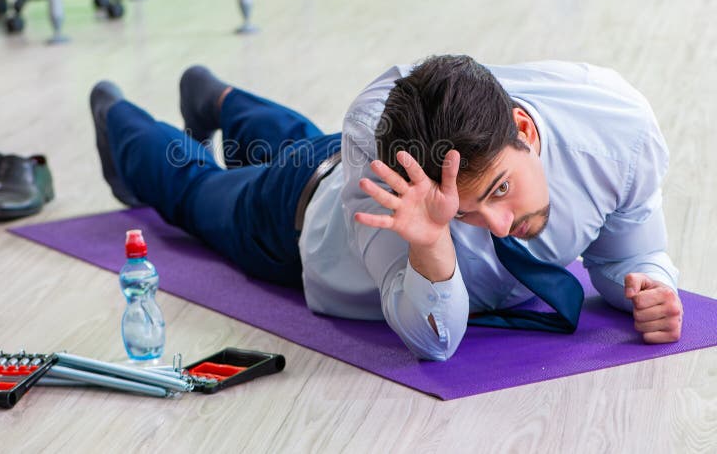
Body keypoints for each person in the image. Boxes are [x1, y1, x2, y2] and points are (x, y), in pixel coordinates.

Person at [90, 56, 683, 361]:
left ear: (523, 128)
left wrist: (649, 284)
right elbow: (433, 342)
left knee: (301, 142)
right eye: (466, 212)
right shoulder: (376, 144)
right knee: (197, 190)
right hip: (293, 215)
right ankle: (118, 117)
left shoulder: (615, 127)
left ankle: (217, 99)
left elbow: (632, 252)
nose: (501, 229)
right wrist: (431, 241)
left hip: (337, 158)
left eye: (500, 189)